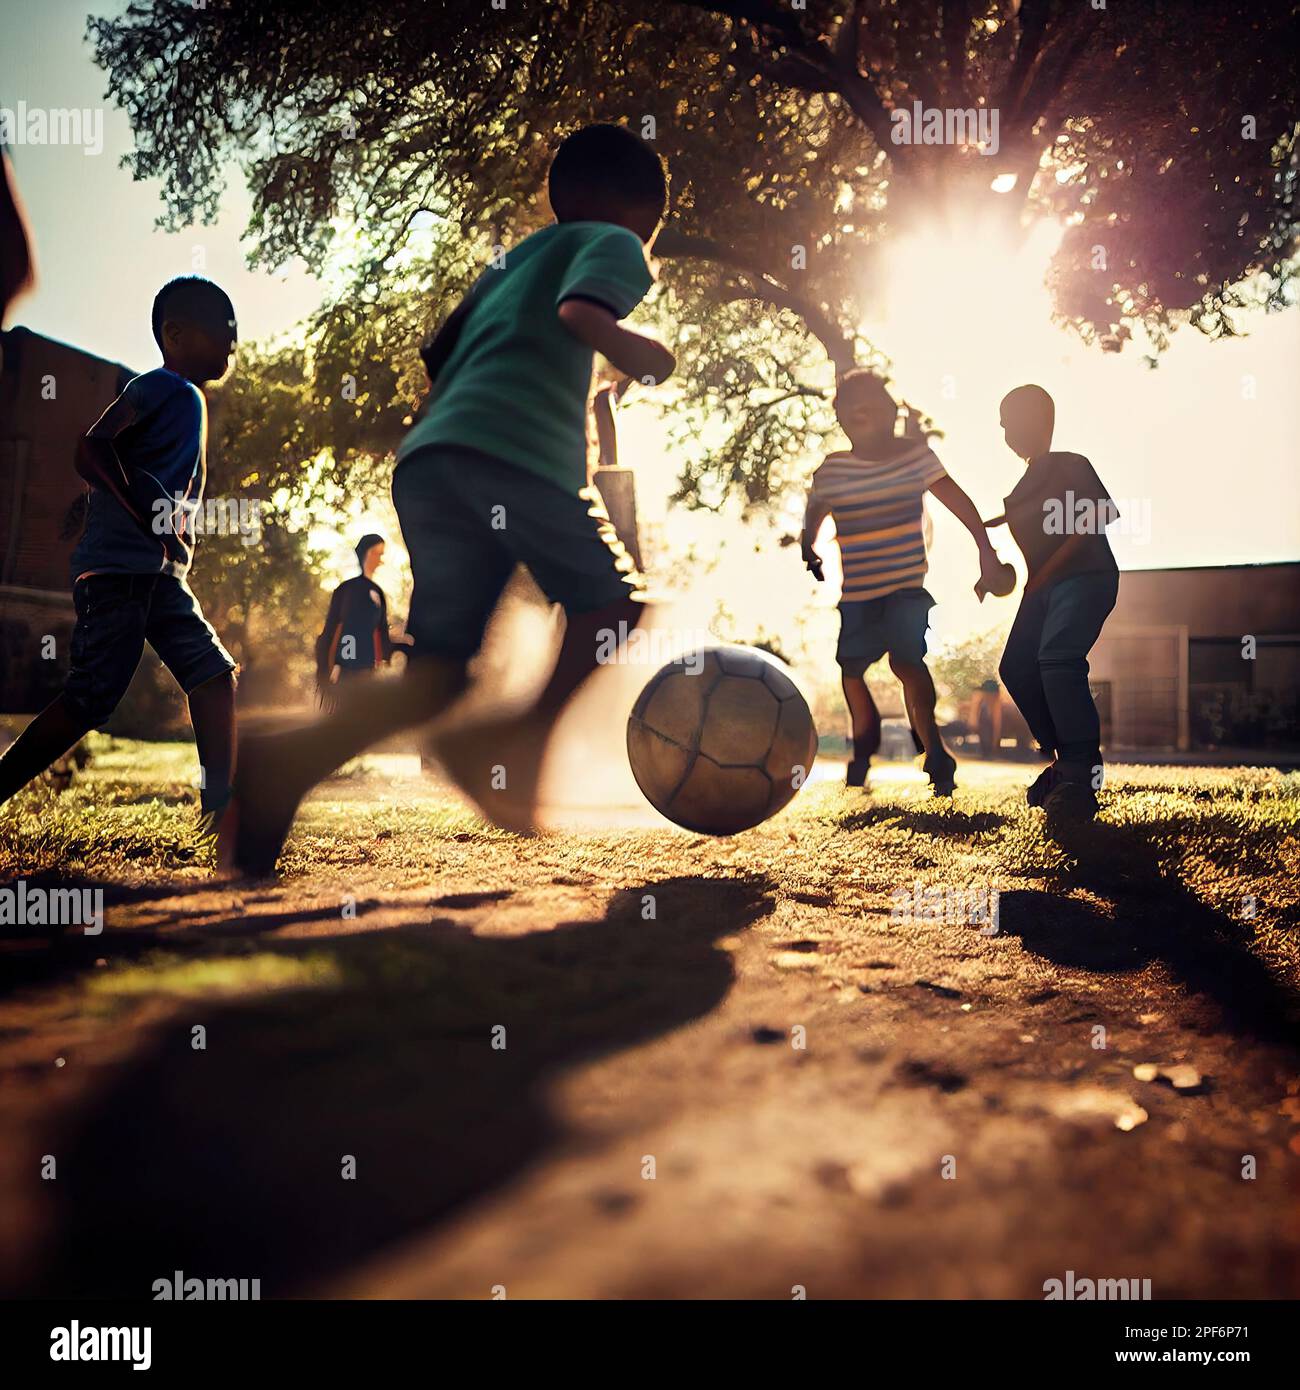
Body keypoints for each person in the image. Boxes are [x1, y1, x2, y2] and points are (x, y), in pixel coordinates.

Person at [220, 123, 673, 874]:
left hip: (432, 462)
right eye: (651, 228)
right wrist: (640, 353)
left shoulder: (510, 266)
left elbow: (445, 358)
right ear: (630, 209)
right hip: (515, 455)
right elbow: (581, 316)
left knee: (436, 677)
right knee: (614, 607)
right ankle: (514, 747)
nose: (646, 246)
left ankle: (280, 765)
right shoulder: (615, 243)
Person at [0, 277, 239, 832]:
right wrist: (144, 517)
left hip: (157, 576)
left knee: (212, 675)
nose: (233, 343)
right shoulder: (160, 387)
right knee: (89, 699)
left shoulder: (190, 399)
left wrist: (164, 535)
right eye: (223, 331)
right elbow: (91, 448)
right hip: (122, 573)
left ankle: (222, 809)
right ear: (175, 334)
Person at [801, 369, 1009, 795]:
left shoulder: (914, 457)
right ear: (839, 417)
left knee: (907, 663)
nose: (863, 413)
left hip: (906, 590)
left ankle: (935, 751)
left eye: (873, 404)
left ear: (892, 412)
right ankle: (863, 749)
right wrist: (809, 545)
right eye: (852, 407)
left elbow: (959, 501)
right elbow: (815, 509)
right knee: (851, 670)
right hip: (857, 595)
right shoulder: (832, 470)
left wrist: (985, 549)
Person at [987, 384, 1119, 820]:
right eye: (1002, 421)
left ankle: (1081, 770)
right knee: (1016, 667)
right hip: (1041, 588)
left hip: (1085, 577)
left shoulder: (1071, 464)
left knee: (1058, 657)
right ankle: (1067, 761)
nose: (1004, 427)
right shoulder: (1018, 488)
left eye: (1011, 417)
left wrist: (1044, 573)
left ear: (1041, 419)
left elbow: (1097, 514)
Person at [314, 533, 405, 709]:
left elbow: (382, 634)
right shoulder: (346, 590)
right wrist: (330, 668)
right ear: (368, 553)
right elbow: (334, 629)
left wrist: (400, 647)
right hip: (347, 671)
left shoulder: (377, 592)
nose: (381, 560)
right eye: (379, 554)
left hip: (368, 670)